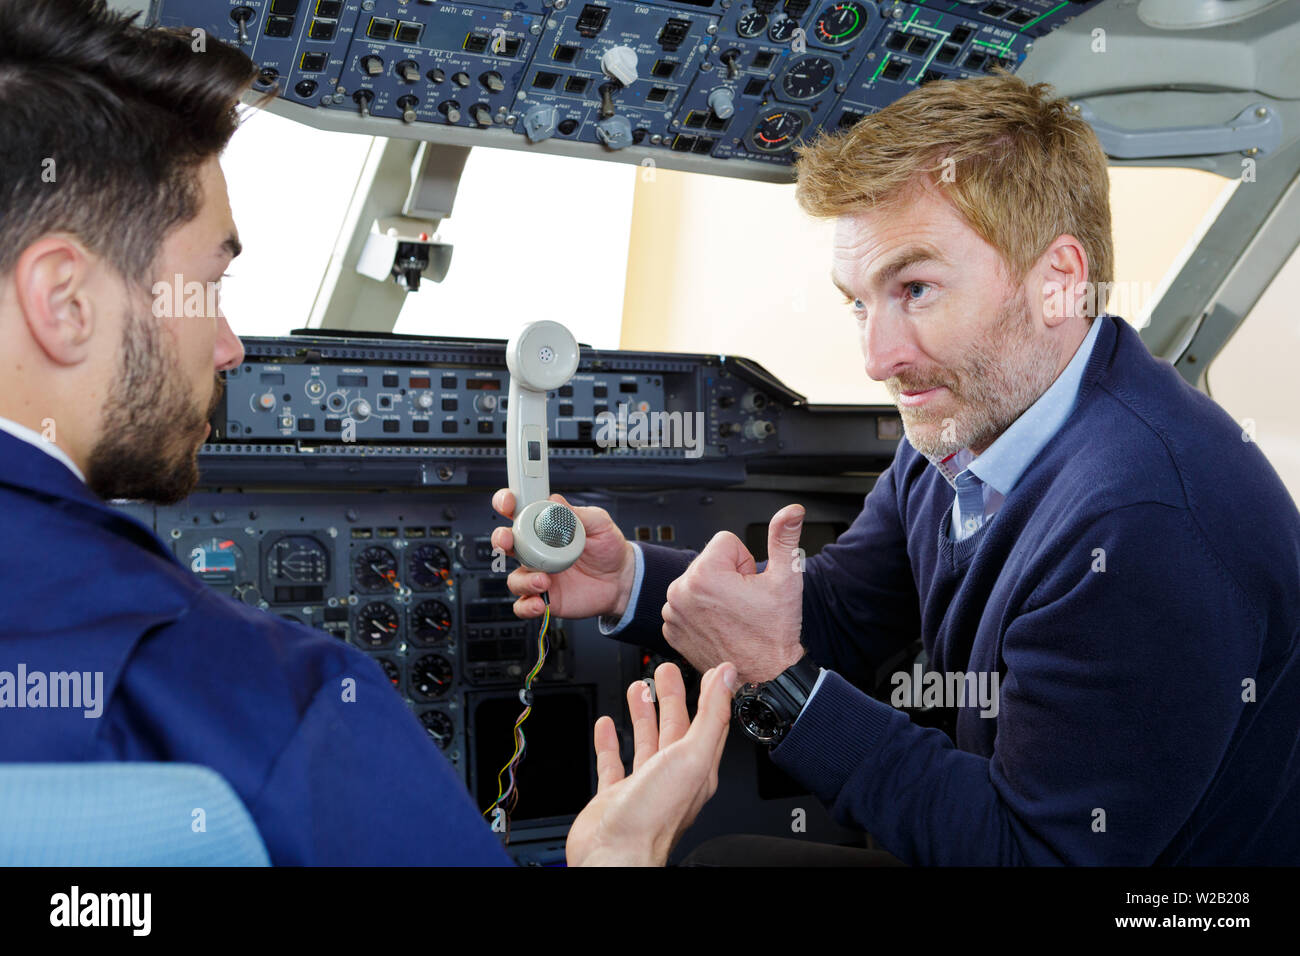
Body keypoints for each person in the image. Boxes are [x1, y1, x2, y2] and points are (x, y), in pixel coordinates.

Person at [492, 73, 1300, 864]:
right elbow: (842, 611)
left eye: (915, 288)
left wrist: (781, 685)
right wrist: (626, 579)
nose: (878, 358)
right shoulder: (966, 428)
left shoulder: (1145, 522)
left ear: (1059, 282)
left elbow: (1034, 853)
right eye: (858, 301)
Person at [0, 0, 735, 867]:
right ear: (65, 302)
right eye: (210, 285)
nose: (230, 347)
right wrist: (622, 855)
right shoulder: (284, 706)